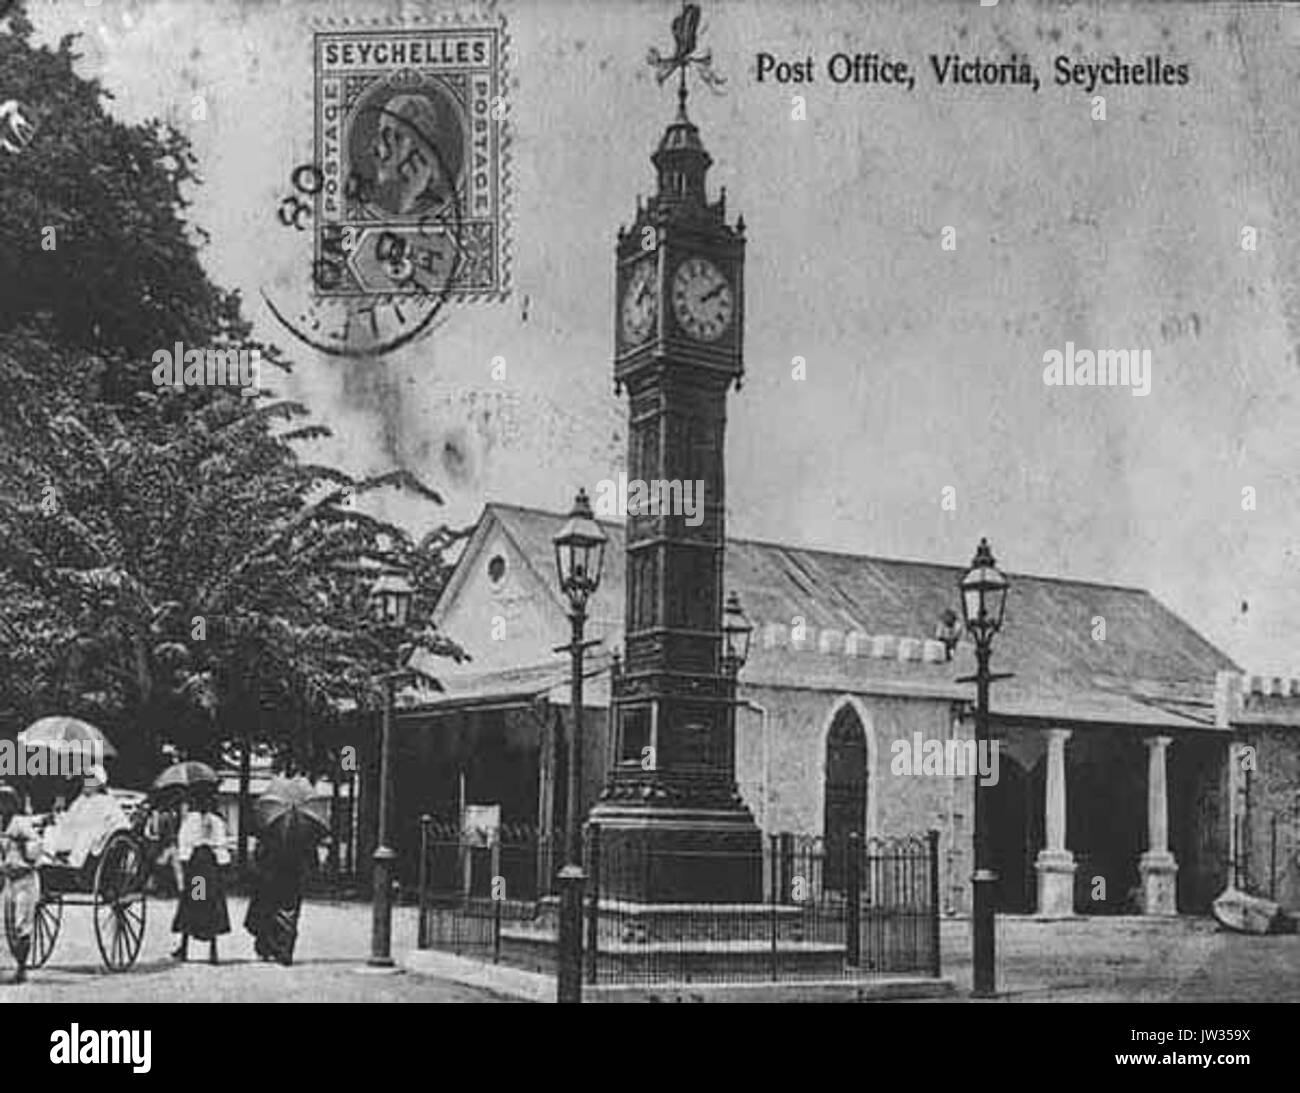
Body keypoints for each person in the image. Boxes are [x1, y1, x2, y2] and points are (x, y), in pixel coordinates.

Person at [171, 785, 230, 964]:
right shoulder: (217, 821)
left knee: (195, 902)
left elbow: (184, 843)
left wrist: (184, 861)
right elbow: (221, 846)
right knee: (210, 903)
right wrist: (223, 864)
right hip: (210, 865)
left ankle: (185, 947)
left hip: (198, 865)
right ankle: (212, 950)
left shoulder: (191, 820)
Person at [244, 824, 314, 966]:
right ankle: (284, 949)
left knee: (269, 913)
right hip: (294, 878)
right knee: (289, 915)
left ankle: (269, 947)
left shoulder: (268, 832)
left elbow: (259, 856)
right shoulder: (305, 834)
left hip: (271, 878)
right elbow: (311, 859)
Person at [41, 765, 127, 870]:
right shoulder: (81, 799)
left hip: (95, 841)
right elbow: (70, 817)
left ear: (99, 784)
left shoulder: (106, 801)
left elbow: (115, 824)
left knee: (87, 830)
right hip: (76, 834)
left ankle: (73, 864)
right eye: (85, 779)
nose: (86, 782)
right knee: (51, 829)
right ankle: (47, 859)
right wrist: (58, 817)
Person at [0, 785, 42, 984]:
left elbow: (36, 847)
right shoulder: (2, 825)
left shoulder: (21, 824)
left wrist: (26, 854)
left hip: (25, 880)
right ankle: (15, 965)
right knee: (8, 924)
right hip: (10, 880)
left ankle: (22, 968)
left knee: (21, 924)